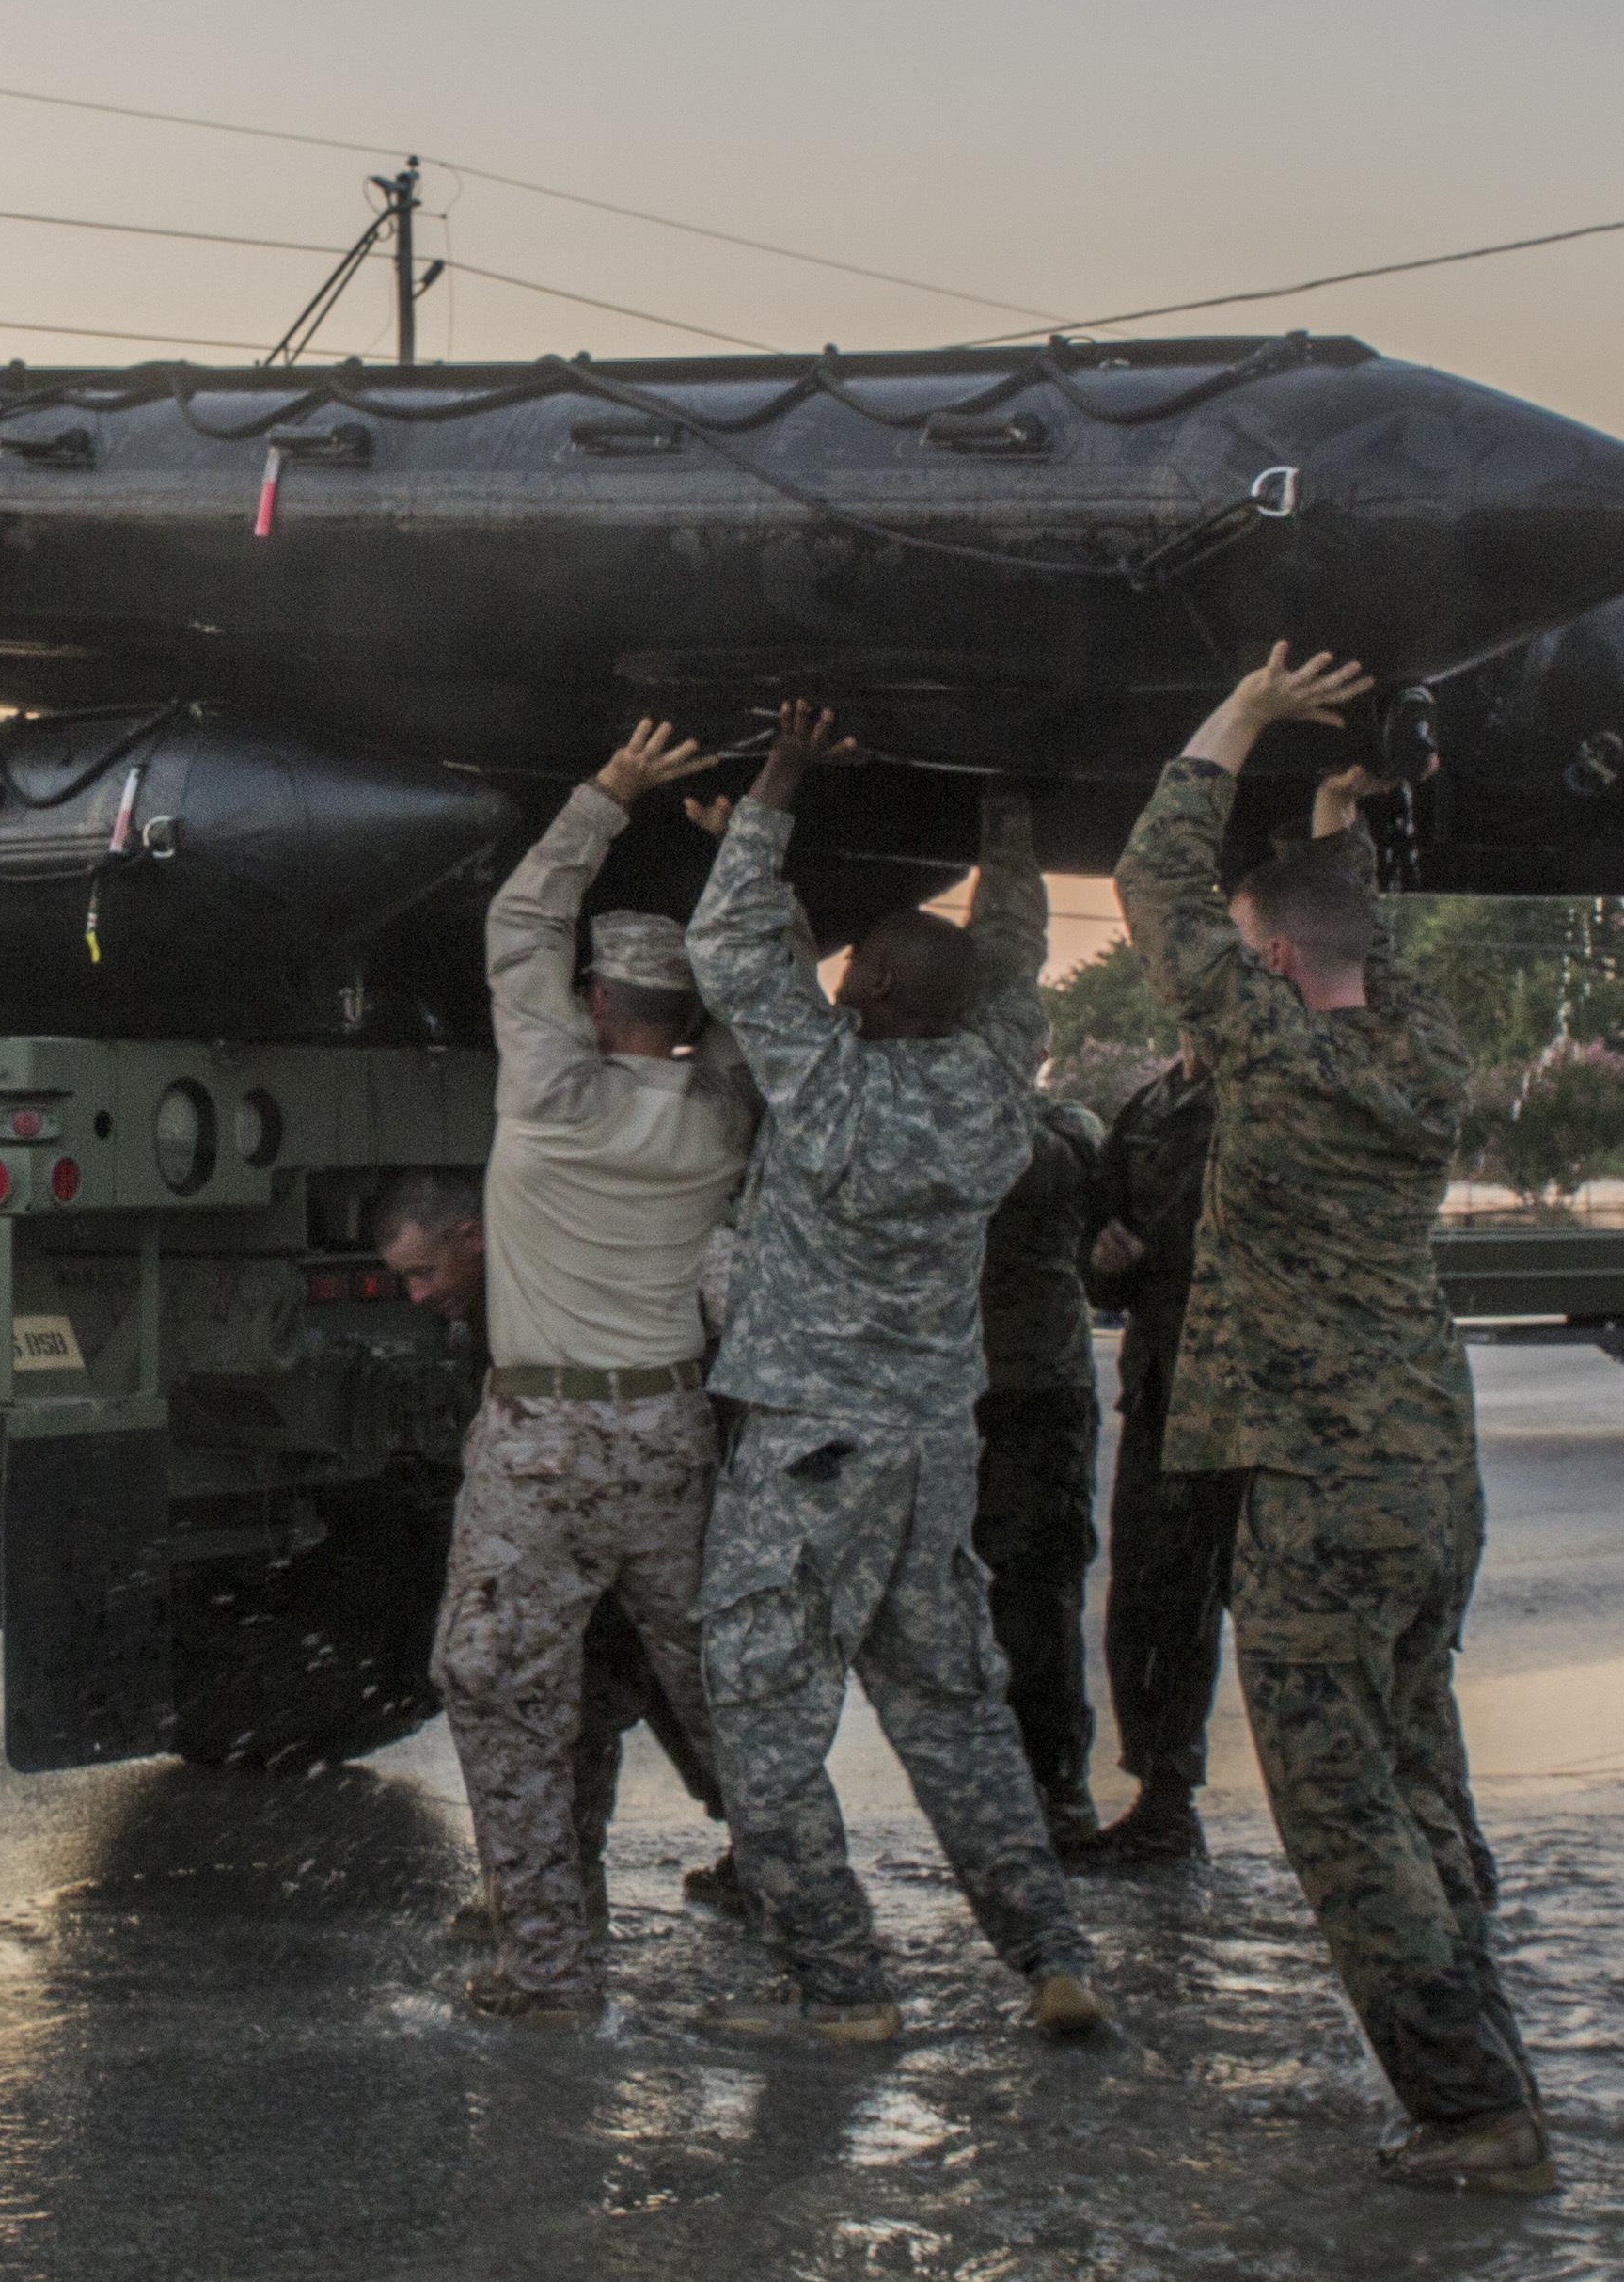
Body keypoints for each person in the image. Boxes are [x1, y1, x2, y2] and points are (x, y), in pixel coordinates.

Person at [1118, 646, 1543, 2188]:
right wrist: (1336, 827)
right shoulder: (1420, 1055)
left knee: (1338, 1802)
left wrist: (1236, 714)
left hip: (1318, 1484)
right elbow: (1341, 935)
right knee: (1419, 1765)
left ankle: (1469, 2112)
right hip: (1431, 1477)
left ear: (1277, 974)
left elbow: (1157, 884)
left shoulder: (1278, 1064)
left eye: (1254, 952)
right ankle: (1489, 2046)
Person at [676, 704, 1108, 2047]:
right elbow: (1016, 951)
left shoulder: (830, 1086)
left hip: (812, 1452)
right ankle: (1051, 1958)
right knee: (957, 1713)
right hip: (933, 1453)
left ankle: (843, 1988)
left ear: (861, 994)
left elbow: (725, 946)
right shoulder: (995, 1091)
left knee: (758, 1718)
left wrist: (786, 769)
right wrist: (1012, 814)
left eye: (851, 966)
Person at [427, 722, 762, 2025]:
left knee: (502, 1688)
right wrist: (745, 869)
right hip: (673, 1437)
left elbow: (521, 920)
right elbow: (757, 1004)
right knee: (717, 1691)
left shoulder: (553, 1092)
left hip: (542, 1447)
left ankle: (547, 1969)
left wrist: (608, 795)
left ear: (597, 1004)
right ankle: (811, 1931)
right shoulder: (721, 1108)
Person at [374, 1180, 733, 1935]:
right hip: (573, 1526)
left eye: (423, 1271)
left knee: (696, 1697)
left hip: (648, 1503)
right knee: (587, 1706)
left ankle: (776, 1874)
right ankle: (560, 1898)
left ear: (472, 1235)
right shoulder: (492, 1293)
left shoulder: (545, 1279)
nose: (415, 1293)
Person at [1073, 1044, 1227, 1865]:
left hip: (1264, 1389)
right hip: (1167, 1388)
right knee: (1154, 1600)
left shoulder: (1278, 1091)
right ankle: (1164, 1798)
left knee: (1306, 1620)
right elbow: (1103, 1235)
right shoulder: (1152, 1105)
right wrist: (1107, 1266)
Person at [973, 1089, 1112, 1851]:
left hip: (1028, 1391)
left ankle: (1054, 1787)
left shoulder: (1056, 1136)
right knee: (1009, 1603)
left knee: (1032, 1599)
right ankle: (1035, 1788)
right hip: (979, 1387)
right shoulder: (1064, 1129)